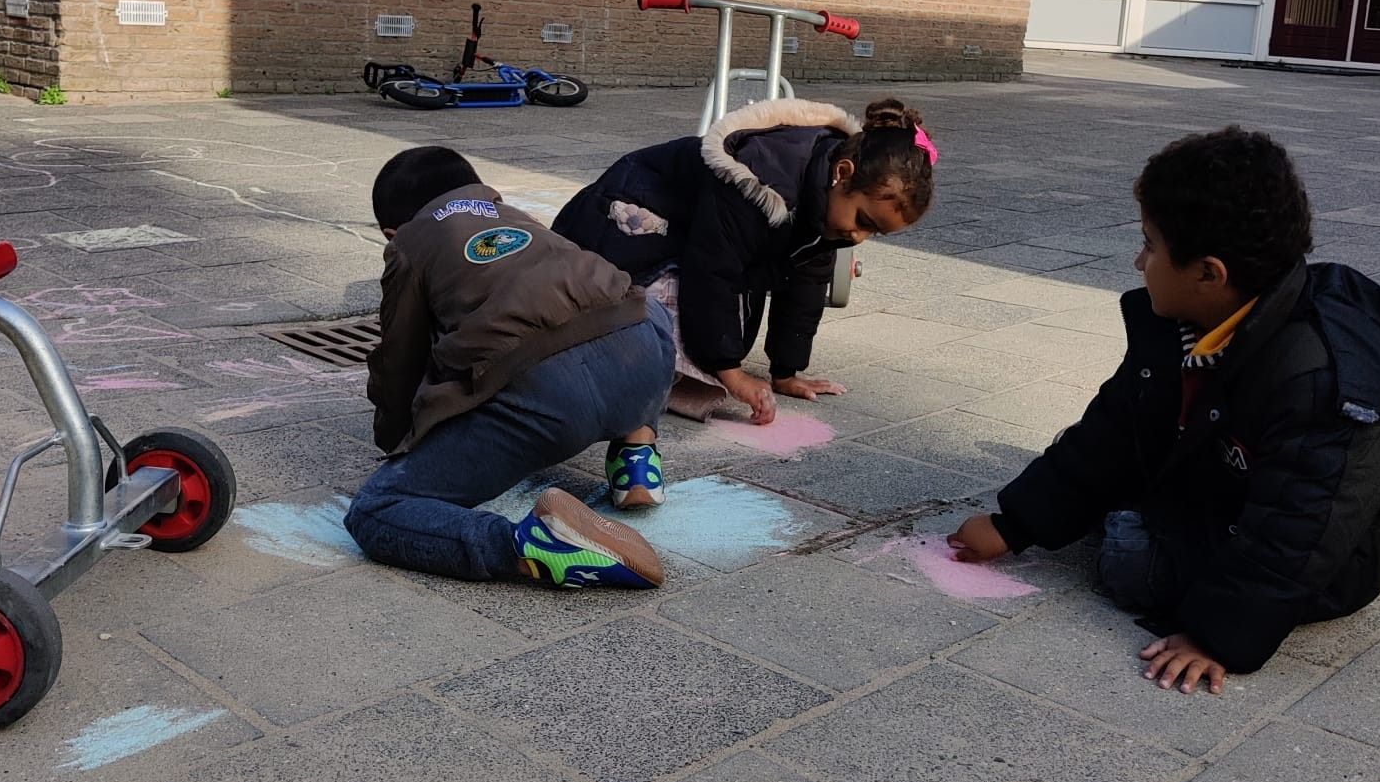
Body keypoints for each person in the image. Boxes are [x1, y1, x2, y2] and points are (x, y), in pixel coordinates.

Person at [948, 125, 1380, 694]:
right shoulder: (1190, 324)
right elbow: (1115, 427)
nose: (1138, 260)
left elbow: (1301, 530)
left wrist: (1216, 636)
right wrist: (1015, 523)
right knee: (1118, 482)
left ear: (1208, 273)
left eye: (1150, 244)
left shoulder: (1320, 384)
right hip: (1237, 487)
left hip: (1328, 561)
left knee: (1129, 559)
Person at [344, 146, 676, 590]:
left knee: (375, 510)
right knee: (639, 306)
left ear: (391, 231)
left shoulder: (410, 242)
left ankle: (530, 545)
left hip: (549, 399)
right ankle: (638, 453)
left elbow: (399, 362)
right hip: (643, 363)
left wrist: (401, 442)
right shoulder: (518, 216)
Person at [553, 96, 937, 423]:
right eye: (863, 221)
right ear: (842, 173)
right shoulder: (757, 178)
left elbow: (806, 283)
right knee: (656, 327)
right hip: (623, 223)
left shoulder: (831, 208)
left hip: (690, 235)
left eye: (875, 232)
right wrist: (732, 372)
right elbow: (713, 273)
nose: (858, 236)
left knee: (717, 334)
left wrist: (786, 371)